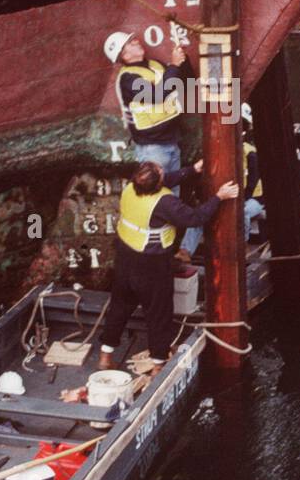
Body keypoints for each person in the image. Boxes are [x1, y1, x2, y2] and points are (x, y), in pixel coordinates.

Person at [98, 158, 238, 379]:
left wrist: (192, 170)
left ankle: (105, 356)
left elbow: (166, 179)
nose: (164, 171)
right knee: (158, 313)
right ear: (157, 183)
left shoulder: (131, 188)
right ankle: (158, 364)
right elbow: (195, 217)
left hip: (125, 257)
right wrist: (219, 197)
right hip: (152, 265)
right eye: (161, 172)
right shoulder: (165, 204)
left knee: (119, 306)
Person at [103, 30, 201, 258]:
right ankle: (156, 250)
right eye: (130, 42)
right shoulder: (128, 79)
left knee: (172, 200)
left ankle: (174, 249)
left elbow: (184, 82)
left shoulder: (156, 66)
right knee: (156, 200)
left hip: (171, 143)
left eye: (133, 39)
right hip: (152, 149)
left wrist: (182, 62)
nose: (136, 41)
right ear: (123, 55)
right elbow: (156, 95)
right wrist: (174, 66)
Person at [241, 103, 267, 244]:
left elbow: (252, 182)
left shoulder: (250, 152)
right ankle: (185, 251)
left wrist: (242, 200)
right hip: (232, 197)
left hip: (254, 199)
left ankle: (242, 245)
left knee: (242, 213)